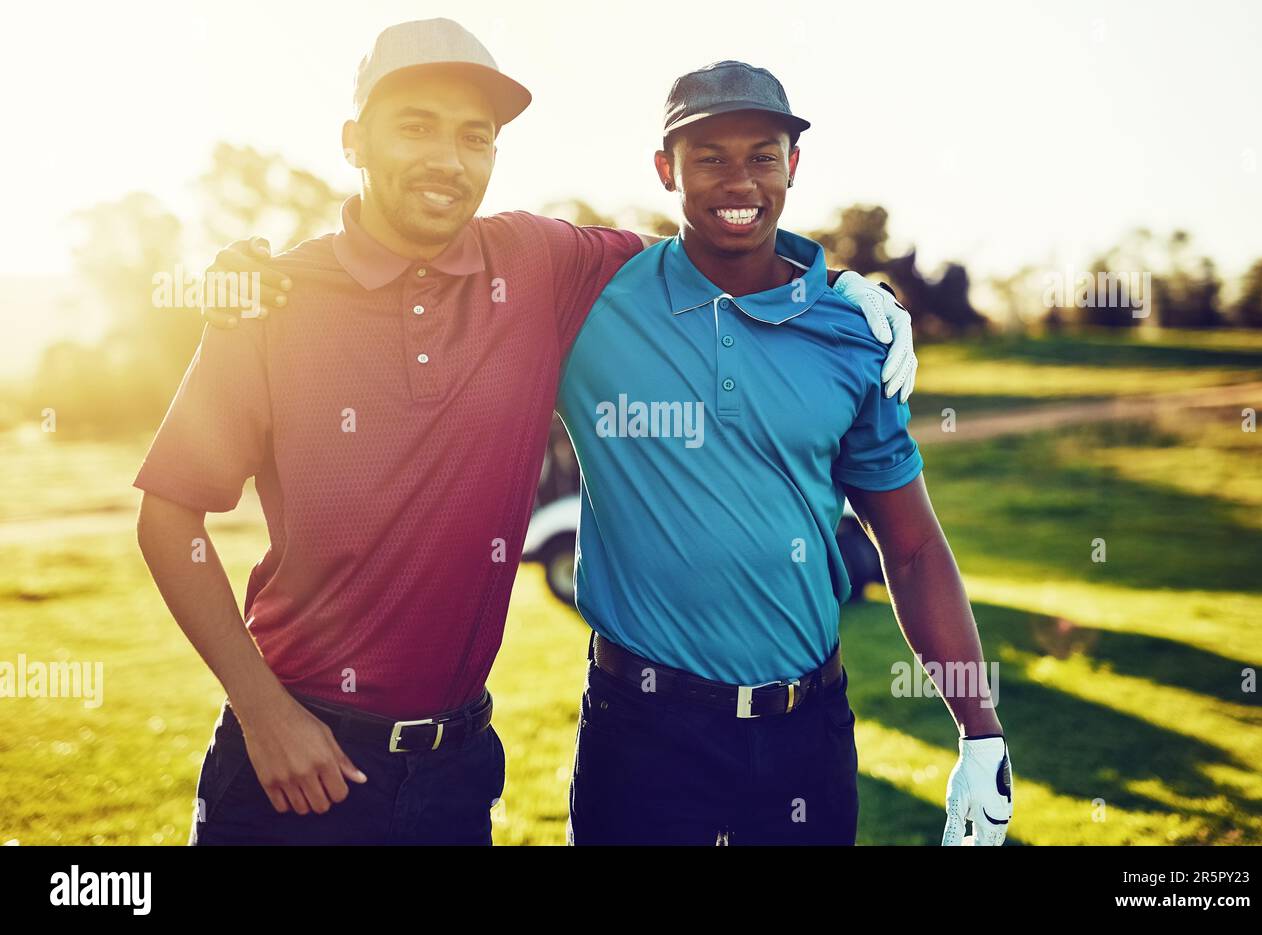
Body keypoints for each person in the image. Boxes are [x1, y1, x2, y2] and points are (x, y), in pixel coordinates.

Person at [136, 19, 916, 845]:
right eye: (416, 126)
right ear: (353, 140)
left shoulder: (538, 261)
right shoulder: (273, 299)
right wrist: (263, 715)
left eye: (476, 136)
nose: (448, 158)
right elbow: (169, 516)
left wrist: (837, 287)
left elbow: (718, 240)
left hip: (455, 770)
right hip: (294, 762)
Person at [557, 60, 1012, 845]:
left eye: (762, 155)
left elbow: (909, 548)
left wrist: (981, 732)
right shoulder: (594, 301)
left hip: (806, 734)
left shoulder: (849, 331)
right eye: (709, 157)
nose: (741, 180)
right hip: (642, 735)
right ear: (665, 169)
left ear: (792, 166)